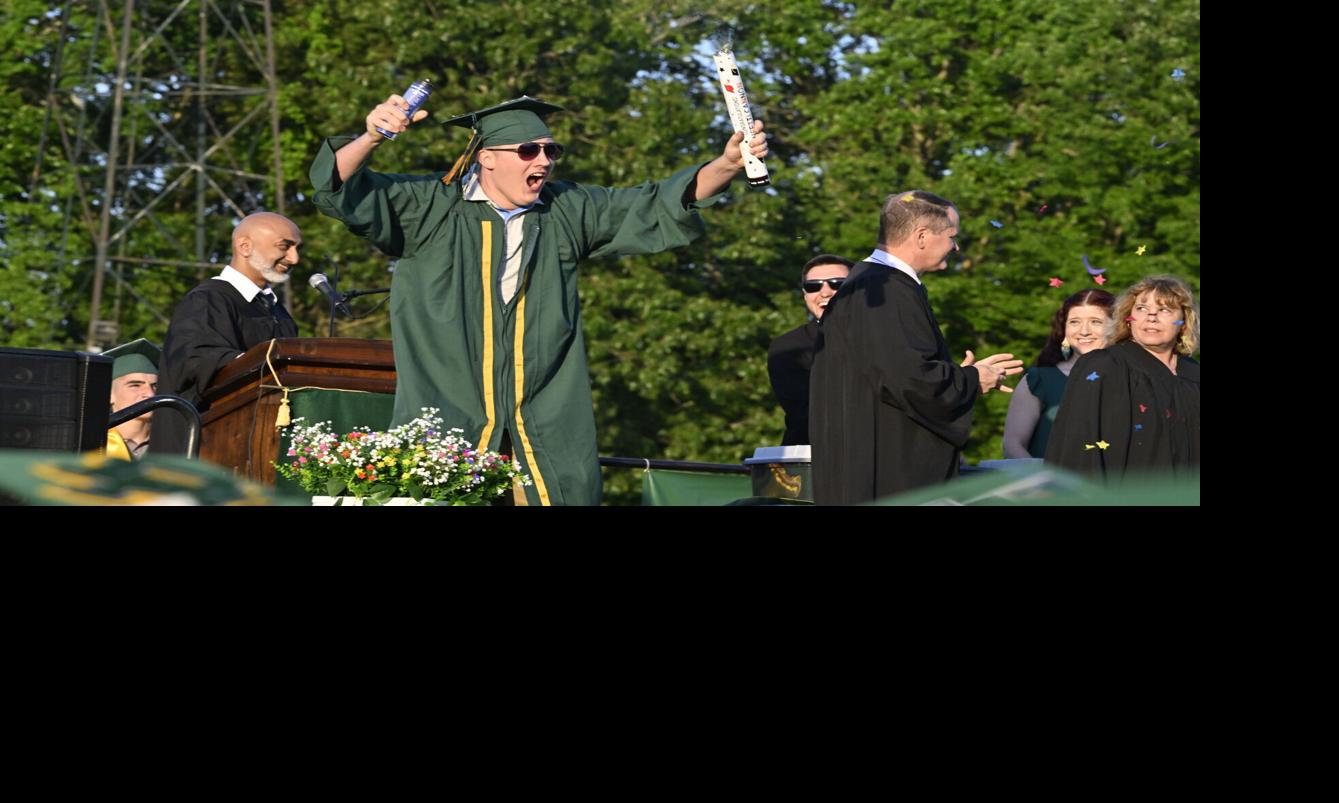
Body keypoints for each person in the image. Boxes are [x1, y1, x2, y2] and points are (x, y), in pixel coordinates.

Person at [309, 94, 768, 506]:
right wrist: (371, 136)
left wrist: (727, 164)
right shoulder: (430, 206)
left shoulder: (566, 209)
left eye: (552, 150)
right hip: (448, 410)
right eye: (530, 150)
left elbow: (653, 204)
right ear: (486, 157)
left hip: (546, 412)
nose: (544, 160)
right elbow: (338, 188)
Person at [808, 190, 1022, 505]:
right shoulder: (883, 291)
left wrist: (955, 375)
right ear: (922, 236)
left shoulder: (872, 285)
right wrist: (973, 380)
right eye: (952, 236)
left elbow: (890, 370)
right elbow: (911, 380)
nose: (955, 246)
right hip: (889, 478)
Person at [156, 211, 303, 453]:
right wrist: (256, 363)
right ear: (245, 246)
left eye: (297, 248)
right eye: (284, 246)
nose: (294, 258)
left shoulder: (277, 311)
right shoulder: (208, 299)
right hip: (203, 448)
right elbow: (195, 361)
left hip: (258, 445)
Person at [1044, 275, 1200, 480]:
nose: (1151, 316)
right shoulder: (1104, 365)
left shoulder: (1194, 374)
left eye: (1164, 310)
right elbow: (1077, 446)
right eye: (1142, 308)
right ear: (1128, 318)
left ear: (1183, 322)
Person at [1002, 288, 1113, 458]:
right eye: (1074, 322)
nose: (1084, 331)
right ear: (1064, 328)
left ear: (1115, 327)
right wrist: (1043, 481)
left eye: (1095, 321)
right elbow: (1012, 445)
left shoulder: (1134, 378)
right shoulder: (1039, 380)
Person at [768, 254, 851, 446]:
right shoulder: (789, 346)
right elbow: (806, 411)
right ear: (805, 295)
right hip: (812, 458)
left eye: (837, 284)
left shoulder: (886, 336)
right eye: (814, 286)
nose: (825, 292)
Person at [102, 339, 160, 461]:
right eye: (135, 385)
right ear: (109, 395)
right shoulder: (92, 445)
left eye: (155, 386)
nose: (150, 393)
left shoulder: (176, 444)